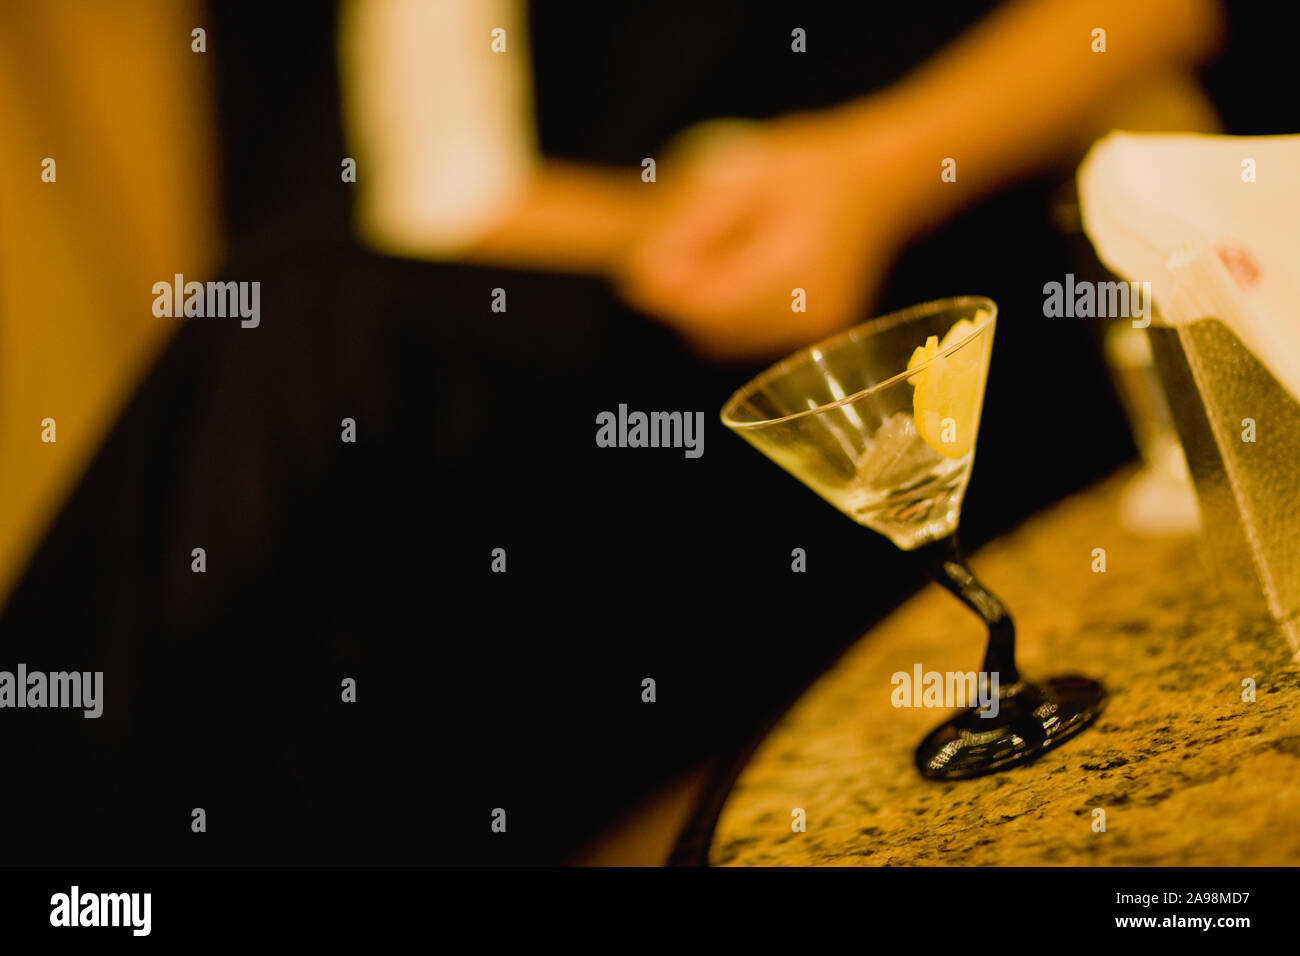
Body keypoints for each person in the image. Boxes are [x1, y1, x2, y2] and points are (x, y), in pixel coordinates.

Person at [0, 0, 1225, 865]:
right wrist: (714, 229)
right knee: (340, 692)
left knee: (297, 323)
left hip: (991, 336)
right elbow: (450, 195)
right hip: (681, 416)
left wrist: (870, 172)